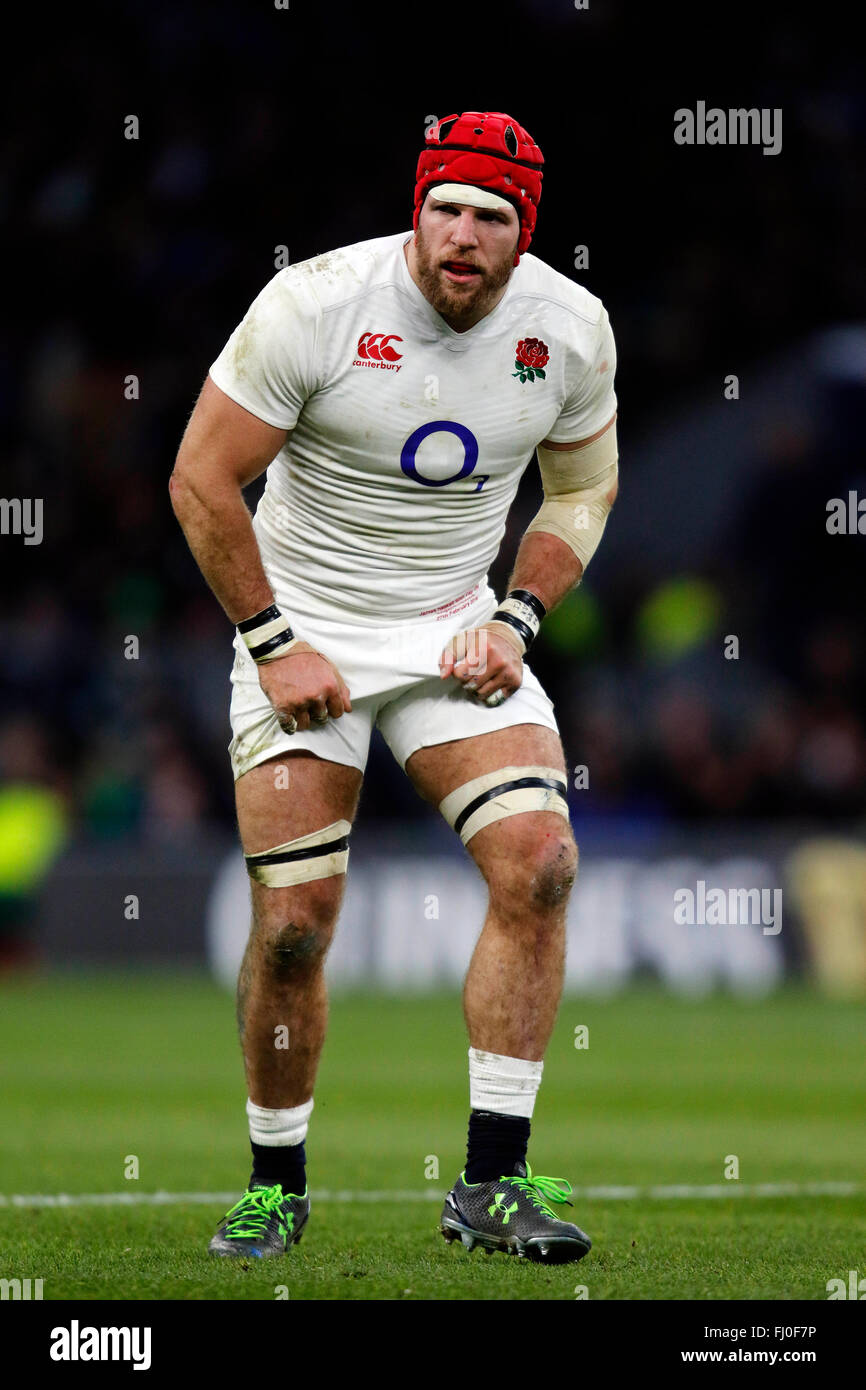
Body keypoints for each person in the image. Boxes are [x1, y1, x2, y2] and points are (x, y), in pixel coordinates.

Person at [170, 110, 618, 1264]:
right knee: (294, 931)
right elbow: (201, 479)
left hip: (451, 631)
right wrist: (273, 642)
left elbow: (578, 495)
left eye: (491, 217)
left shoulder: (569, 331)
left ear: (524, 236)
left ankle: (490, 1185)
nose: (461, 236)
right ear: (417, 209)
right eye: (446, 209)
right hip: (303, 630)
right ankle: (275, 1183)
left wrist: (515, 618)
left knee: (542, 863)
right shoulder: (316, 304)